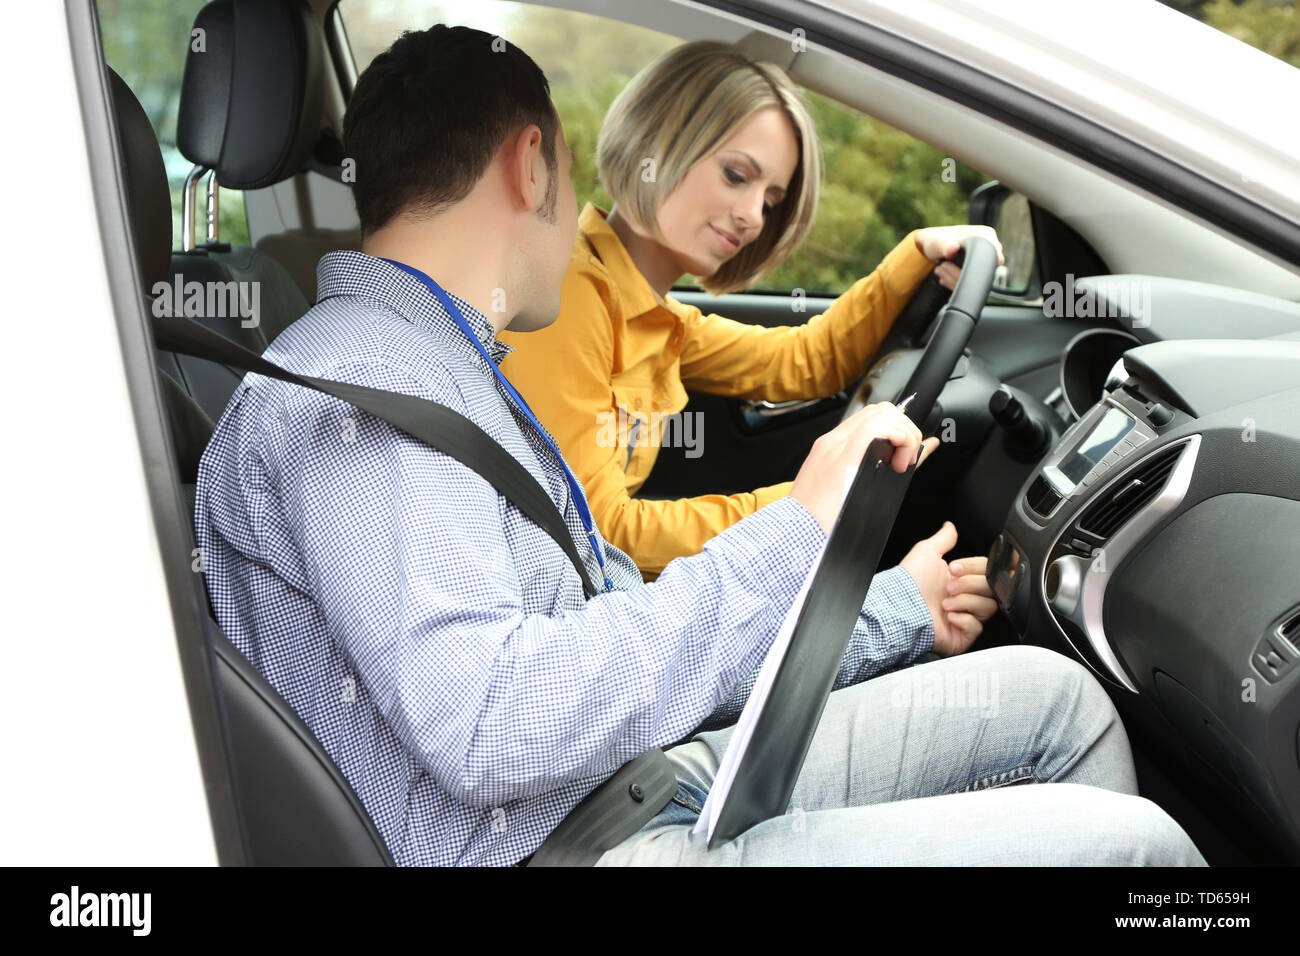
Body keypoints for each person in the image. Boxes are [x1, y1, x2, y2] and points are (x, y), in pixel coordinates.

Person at [194, 24, 1205, 867]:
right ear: (530, 161)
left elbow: (608, 613)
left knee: (1056, 705)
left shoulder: (448, 365)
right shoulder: (372, 391)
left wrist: (885, 606)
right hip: (567, 839)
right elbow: (494, 722)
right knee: (1138, 851)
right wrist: (796, 524)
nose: (751, 214)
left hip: (615, 778)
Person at [499, 41, 999, 581]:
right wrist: (808, 505)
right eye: (737, 175)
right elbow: (600, 531)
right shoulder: (573, 296)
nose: (753, 218)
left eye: (771, 200)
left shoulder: (655, 313)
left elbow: (806, 360)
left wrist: (915, 253)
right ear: (658, 142)